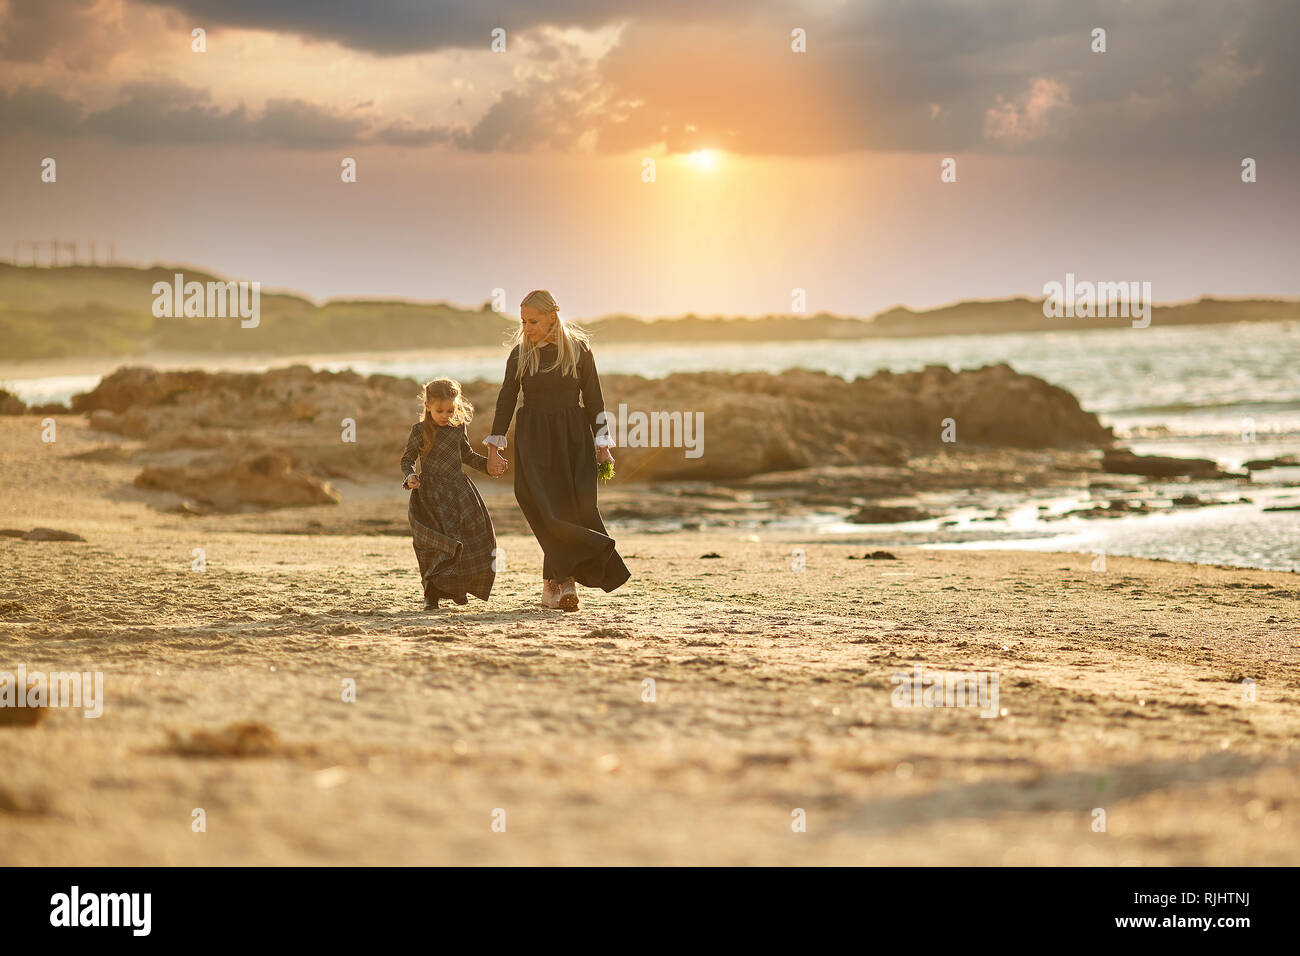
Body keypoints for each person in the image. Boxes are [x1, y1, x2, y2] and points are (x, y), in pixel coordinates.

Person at [483, 289, 629, 611]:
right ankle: (590, 554)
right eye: (523, 321)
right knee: (541, 507)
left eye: (532, 321)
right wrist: (495, 445)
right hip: (533, 438)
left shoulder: (578, 351)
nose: (526, 328)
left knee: (572, 509)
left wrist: (602, 444)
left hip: (572, 437)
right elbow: (506, 399)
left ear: (552, 316)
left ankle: (558, 585)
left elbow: (594, 401)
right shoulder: (520, 355)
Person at [400, 378, 498, 610]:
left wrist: (488, 466)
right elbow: (407, 459)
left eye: (450, 410)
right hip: (430, 495)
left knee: (470, 538)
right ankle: (431, 595)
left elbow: (468, 455)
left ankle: (455, 587)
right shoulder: (419, 431)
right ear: (427, 405)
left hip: (458, 492)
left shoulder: (458, 428)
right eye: (439, 410)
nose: (445, 415)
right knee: (434, 545)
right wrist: (410, 477)